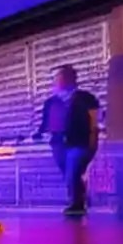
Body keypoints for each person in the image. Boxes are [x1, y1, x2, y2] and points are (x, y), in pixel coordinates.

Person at [36, 64, 100, 216]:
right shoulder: (51, 102)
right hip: (58, 144)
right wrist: (39, 133)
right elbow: (45, 123)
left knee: (72, 172)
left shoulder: (86, 98)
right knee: (69, 174)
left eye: (61, 77)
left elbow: (94, 120)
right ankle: (80, 196)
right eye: (57, 78)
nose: (58, 81)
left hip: (79, 141)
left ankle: (76, 205)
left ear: (71, 79)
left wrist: (93, 138)